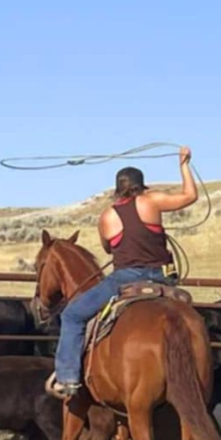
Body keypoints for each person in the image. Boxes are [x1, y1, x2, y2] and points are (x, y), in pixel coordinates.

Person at [48, 145, 198, 397]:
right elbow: (190, 196)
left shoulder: (108, 216)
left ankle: (67, 378)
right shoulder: (153, 201)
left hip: (125, 278)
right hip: (162, 277)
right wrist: (184, 165)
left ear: (118, 189)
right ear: (142, 186)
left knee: (72, 315)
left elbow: (108, 248)